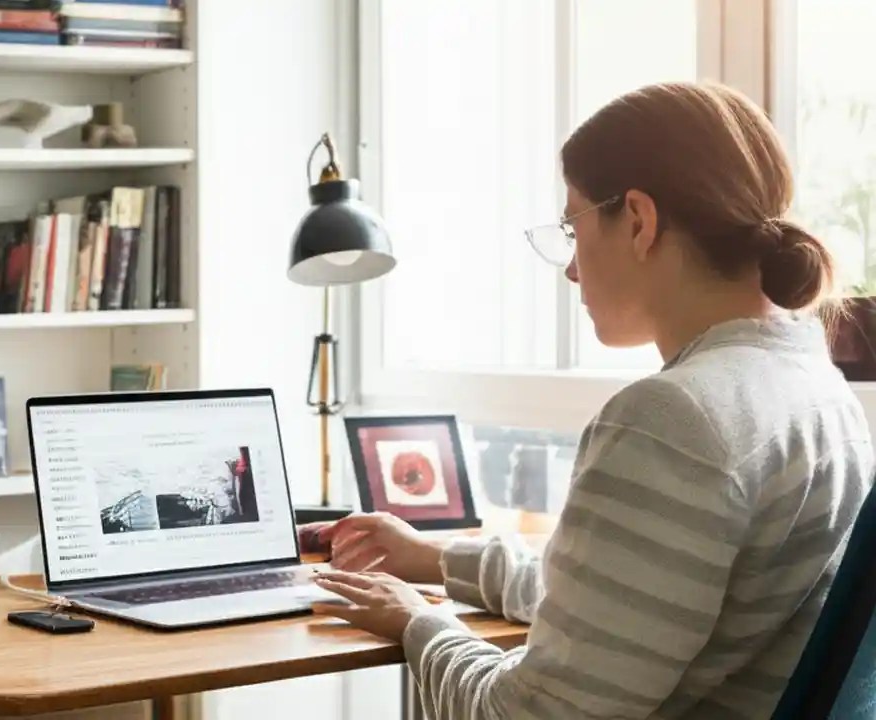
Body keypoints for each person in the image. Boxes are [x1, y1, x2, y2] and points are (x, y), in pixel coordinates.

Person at [307, 80, 876, 719]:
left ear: (638, 219)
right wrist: (434, 559)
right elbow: (631, 610)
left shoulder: (674, 420)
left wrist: (418, 625)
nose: (573, 268)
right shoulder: (816, 389)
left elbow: (526, 717)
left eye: (572, 228)